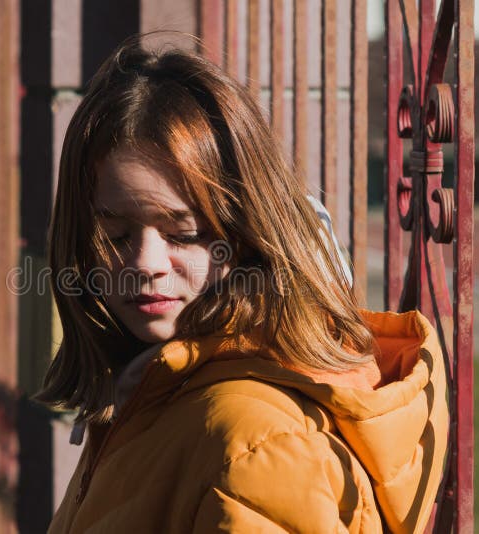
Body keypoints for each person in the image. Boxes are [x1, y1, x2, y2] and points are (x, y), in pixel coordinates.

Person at [35, 38, 449, 533]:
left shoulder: (253, 445)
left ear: (248, 233)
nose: (144, 263)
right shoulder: (147, 385)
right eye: (115, 234)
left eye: (182, 233)